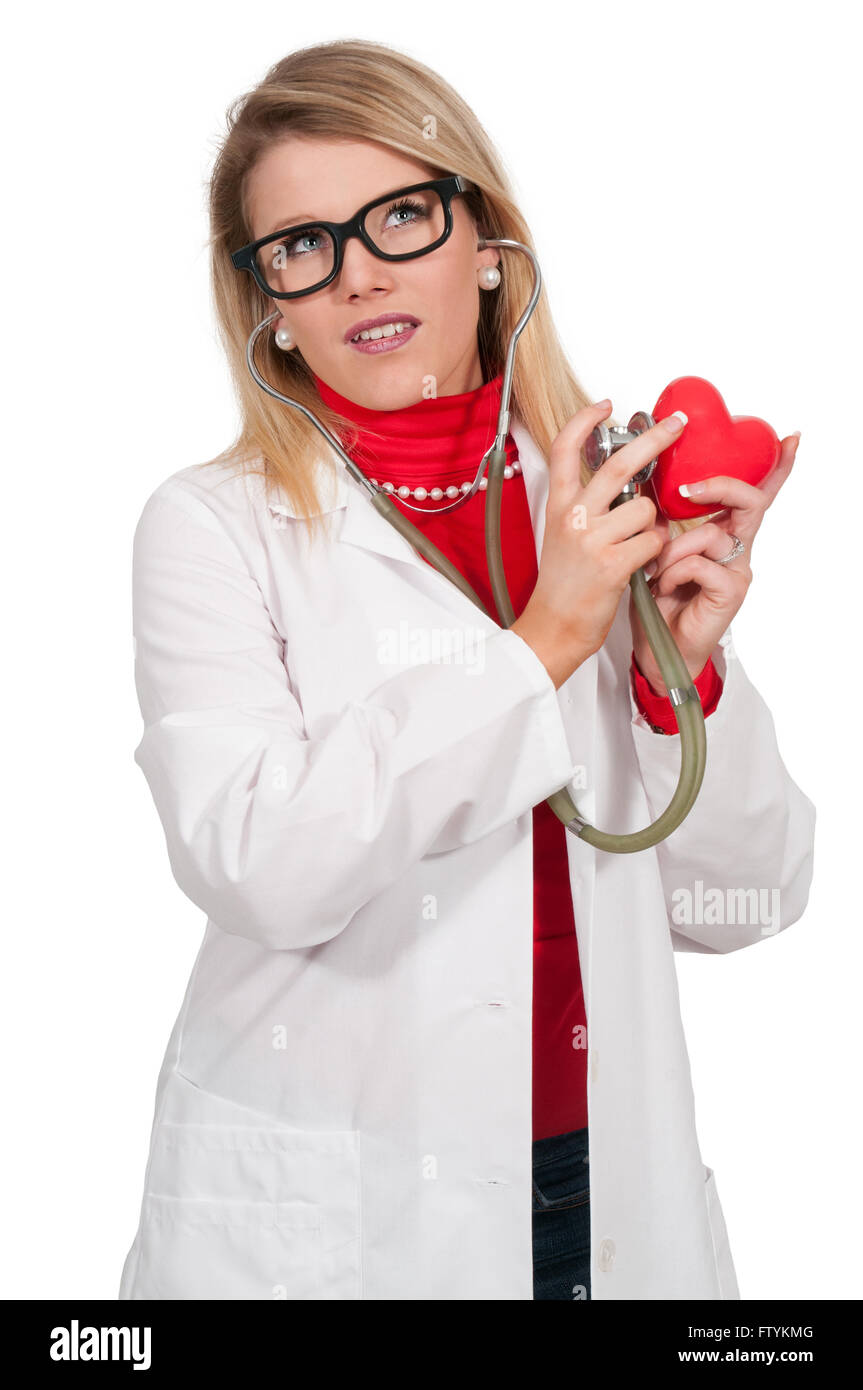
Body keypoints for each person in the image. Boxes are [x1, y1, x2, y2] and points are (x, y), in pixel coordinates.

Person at [118, 39, 815, 1302]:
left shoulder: (594, 498)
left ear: (486, 241)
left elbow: (753, 901)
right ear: (266, 297)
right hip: (345, 1220)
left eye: (400, 217)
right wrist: (545, 640)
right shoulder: (211, 528)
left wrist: (679, 679)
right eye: (302, 245)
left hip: (605, 1197)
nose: (358, 274)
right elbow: (260, 861)